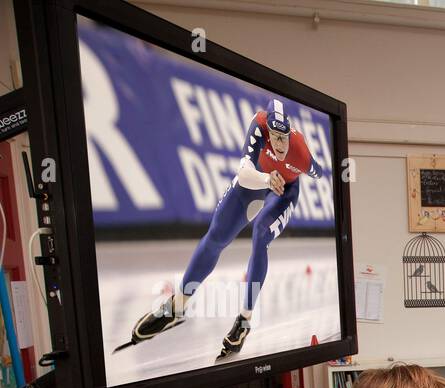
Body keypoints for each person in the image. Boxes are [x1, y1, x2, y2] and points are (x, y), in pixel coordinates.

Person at [120, 99, 326, 360]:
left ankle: (244, 320)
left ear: (289, 132)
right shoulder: (258, 125)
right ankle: (178, 306)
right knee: (216, 236)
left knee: (261, 234)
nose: (280, 145)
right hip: (258, 179)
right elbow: (243, 173)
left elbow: (318, 171)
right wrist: (266, 178)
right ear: (267, 132)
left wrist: (291, 177)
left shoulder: (301, 153)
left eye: (283, 137)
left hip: (284, 190)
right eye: (275, 137)